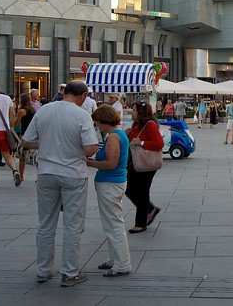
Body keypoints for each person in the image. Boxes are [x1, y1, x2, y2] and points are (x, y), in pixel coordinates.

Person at [21, 80, 101, 286]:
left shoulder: (44, 111)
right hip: (73, 173)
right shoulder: (81, 115)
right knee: (73, 225)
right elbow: (91, 148)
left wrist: (47, 144)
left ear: (64, 92)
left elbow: (26, 141)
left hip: (46, 172)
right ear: (83, 97)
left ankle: (43, 269)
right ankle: (69, 272)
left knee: (46, 224)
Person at [86, 104, 132, 278]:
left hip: (110, 183)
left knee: (114, 225)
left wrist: (90, 163)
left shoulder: (113, 137)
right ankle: (115, 259)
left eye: (97, 122)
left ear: (104, 120)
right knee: (111, 224)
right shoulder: (118, 135)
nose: (97, 125)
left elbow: (111, 163)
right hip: (114, 182)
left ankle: (122, 264)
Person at [125, 101, 163, 234]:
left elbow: (159, 143)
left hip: (146, 164)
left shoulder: (150, 125)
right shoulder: (136, 124)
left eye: (134, 110)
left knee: (141, 192)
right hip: (136, 162)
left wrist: (141, 143)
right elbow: (132, 141)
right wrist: (128, 134)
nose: (132, 112)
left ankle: (140, 223)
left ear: (141, 112)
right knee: (129, 189)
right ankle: (150, 209)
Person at [14, 93, 36, 182]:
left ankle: (22, 176)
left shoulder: (21, 111)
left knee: (22, 156)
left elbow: (16, 124)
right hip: (33, 135)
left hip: (24, 135)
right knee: (34, 156)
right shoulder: (33, 110)